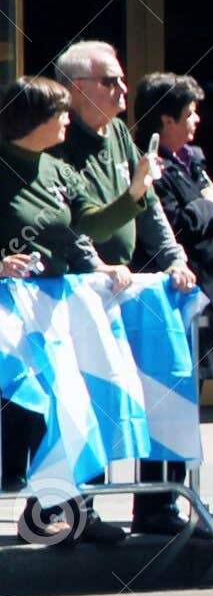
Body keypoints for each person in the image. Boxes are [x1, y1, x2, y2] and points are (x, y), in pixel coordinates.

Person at [49, 41, 196, 545]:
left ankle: (157, 504)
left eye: (121, 79)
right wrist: (94, 266)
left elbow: (147, 203)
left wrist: (174, 258)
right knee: (83, 396)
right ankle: (75, 510)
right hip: (77, 291)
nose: (122, 90)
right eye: (110, 81)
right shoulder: (58, 139)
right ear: (76, 89)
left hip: (125, 285)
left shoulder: (118, 136)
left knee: (157, 385)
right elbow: (67, 216)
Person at [0, 75, 148, 540]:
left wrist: (137, 193)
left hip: (54, 310)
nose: (68, 119)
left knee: (70, 408)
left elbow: (92, 226)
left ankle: (68, 515)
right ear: (33, 118)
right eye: (59, 111)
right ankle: (41, 509)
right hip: (8, 315)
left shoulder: (58, 170)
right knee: (20, 410)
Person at [129, 72, 213, 535]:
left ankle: (177, 494)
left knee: (184, 399)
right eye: (188, 113)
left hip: (206, 292)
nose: (196, 121)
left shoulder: (191, 160)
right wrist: (208, 203)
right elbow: (169, 226)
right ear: (165, 119)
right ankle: (154, 505)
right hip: (168, 298)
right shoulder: (147, 165)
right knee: (163, 401)